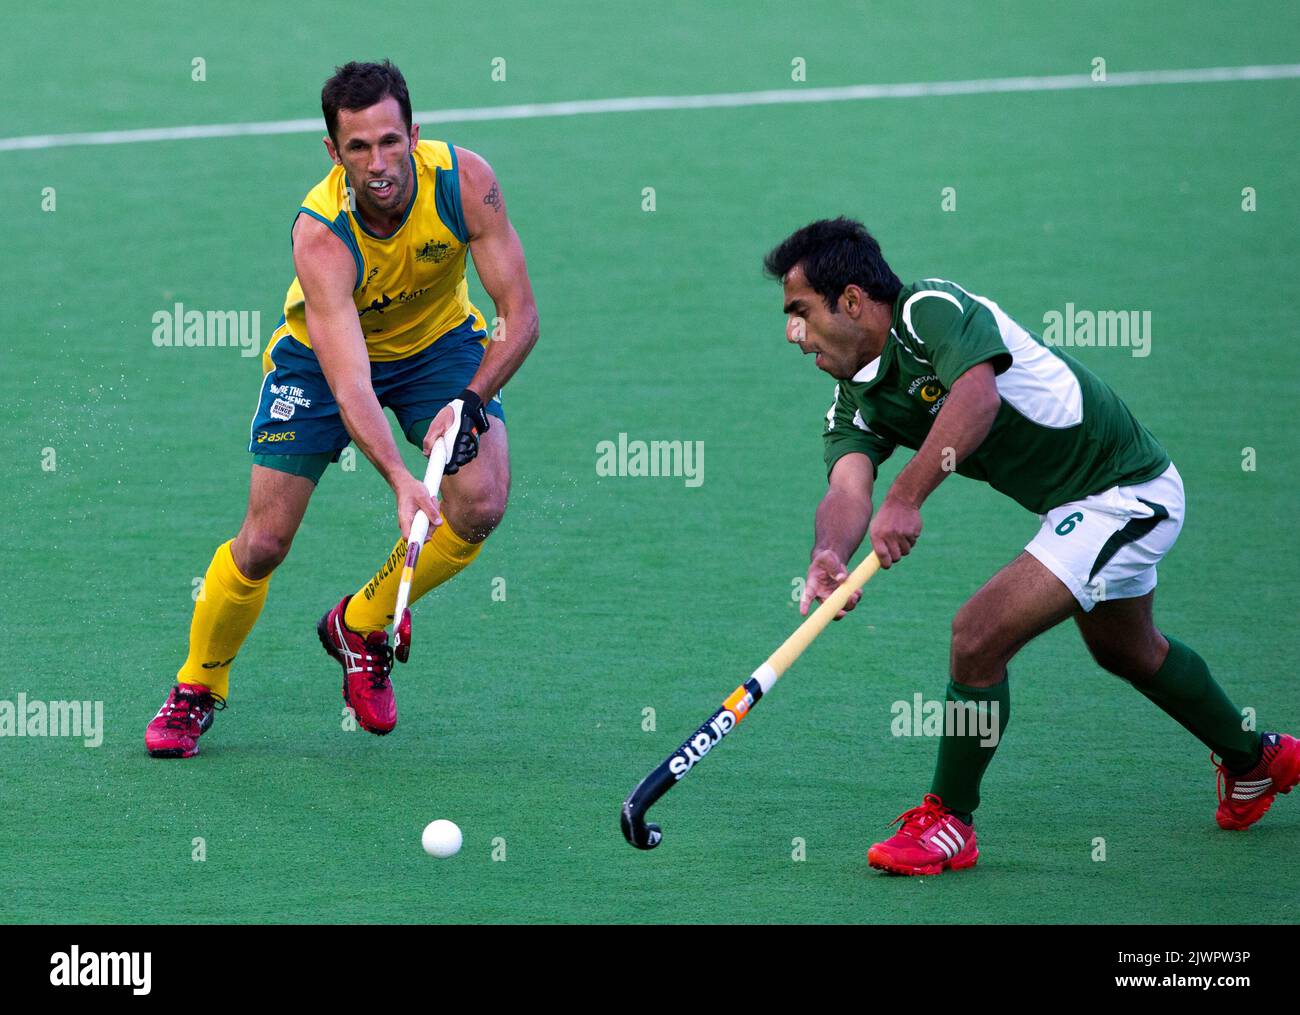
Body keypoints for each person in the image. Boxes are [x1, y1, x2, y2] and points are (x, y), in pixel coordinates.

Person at [765, 217, 1296, 875]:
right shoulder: (855, 401)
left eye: (800, 312)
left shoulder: (928, 310)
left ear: (850, 299)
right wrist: (829, 555)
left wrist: (905, 496)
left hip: (1125, 491)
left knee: (977, 635)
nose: (794, 334)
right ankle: (1257, 760)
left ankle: (949, 821)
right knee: (1126, 648)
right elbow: (847, 489)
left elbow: (978, 396)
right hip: (1075, 507)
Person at [146, 60, 538, 756]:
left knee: (480, 503)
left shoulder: (466, 182)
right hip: (323, 359)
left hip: (438, 345)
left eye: (390, 142)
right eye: (358, 148)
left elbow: (519, 314)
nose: (378, 163)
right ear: (334, 152)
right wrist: (399, 478)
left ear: (415, 134)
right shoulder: (321, 234)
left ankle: (361, 624)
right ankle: (197, 684)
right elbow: (350, 377)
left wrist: (470, 402)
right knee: (264, 542)